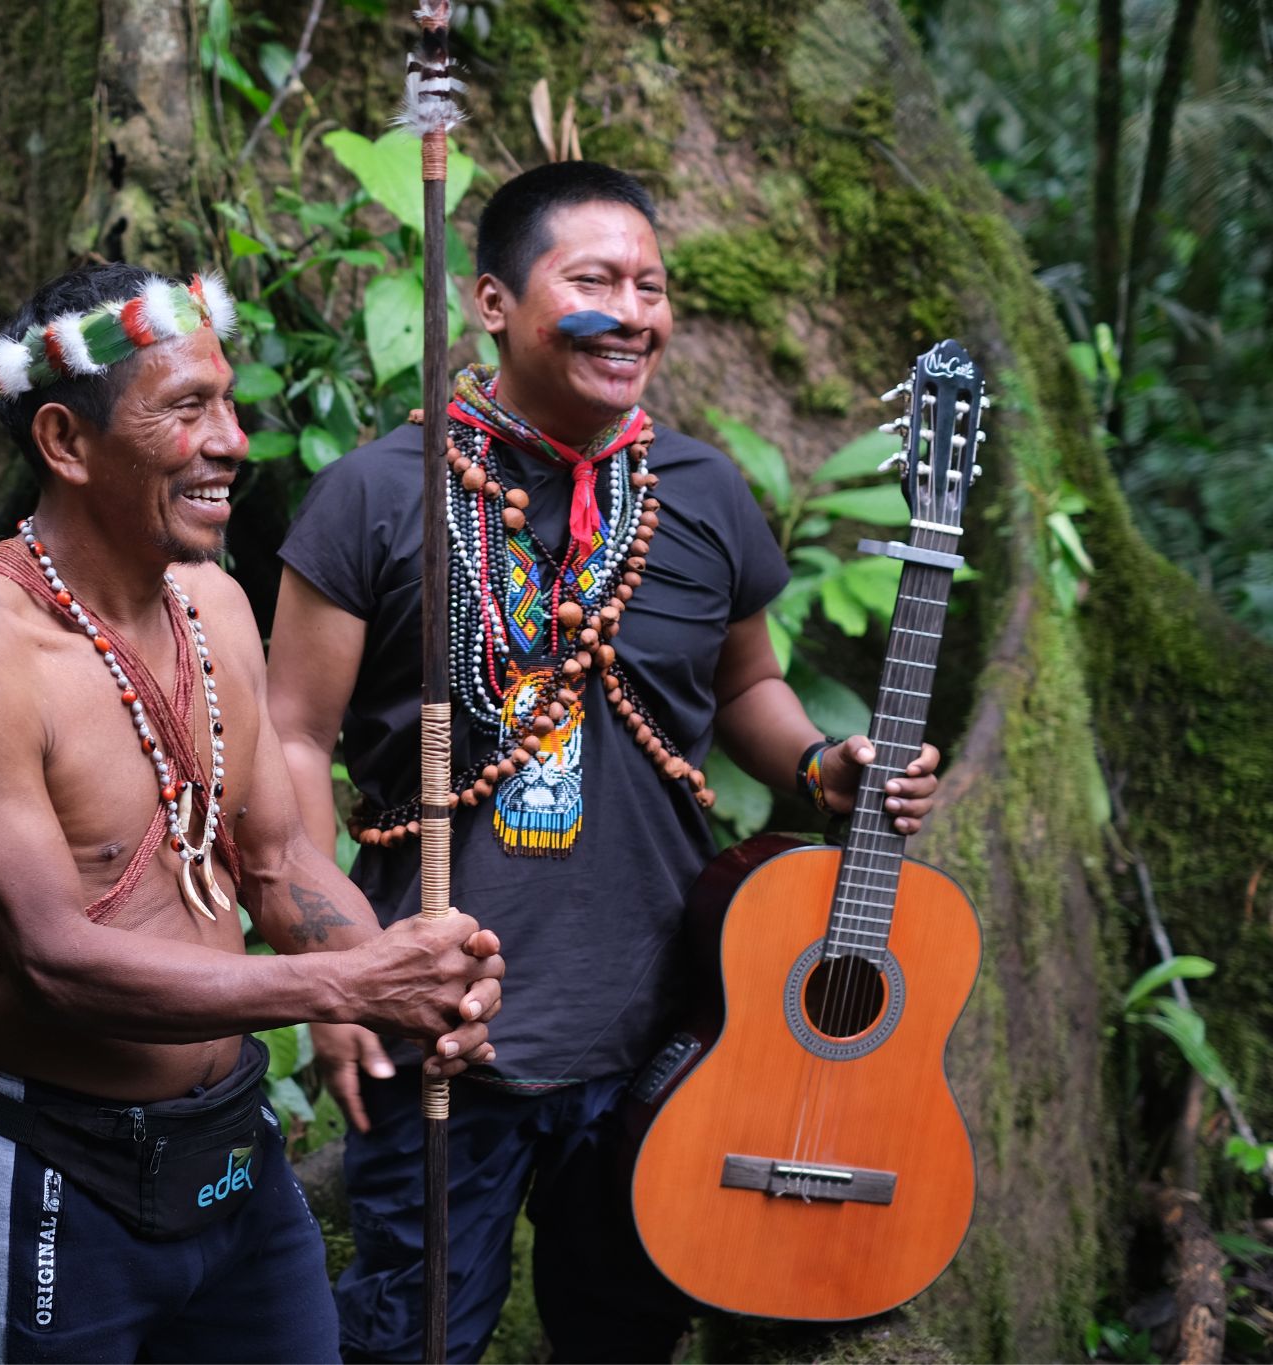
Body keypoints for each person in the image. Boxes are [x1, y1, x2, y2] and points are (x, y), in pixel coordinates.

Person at [268, 161, 945, 1361]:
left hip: (672, 1039)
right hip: (442, 1030)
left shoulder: (701, 492)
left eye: (650, 287)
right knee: (413, 1340)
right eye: (593, 281)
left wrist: (818, 769)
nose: (631, 314)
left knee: (624, 1337)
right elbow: (290, 741)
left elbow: (743, 687)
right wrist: (334, 974)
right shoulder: (372, 495)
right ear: (491, 301)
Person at [0, 262, 506, 1364]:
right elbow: (59, 961)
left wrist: (410, 973)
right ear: (65, 442)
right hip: (44, 1158)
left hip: (228, 1151)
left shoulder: (211, 603)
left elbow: (275, 860)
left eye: (226, 401)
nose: (231, 441)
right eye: (185, 409)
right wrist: (341, 986)